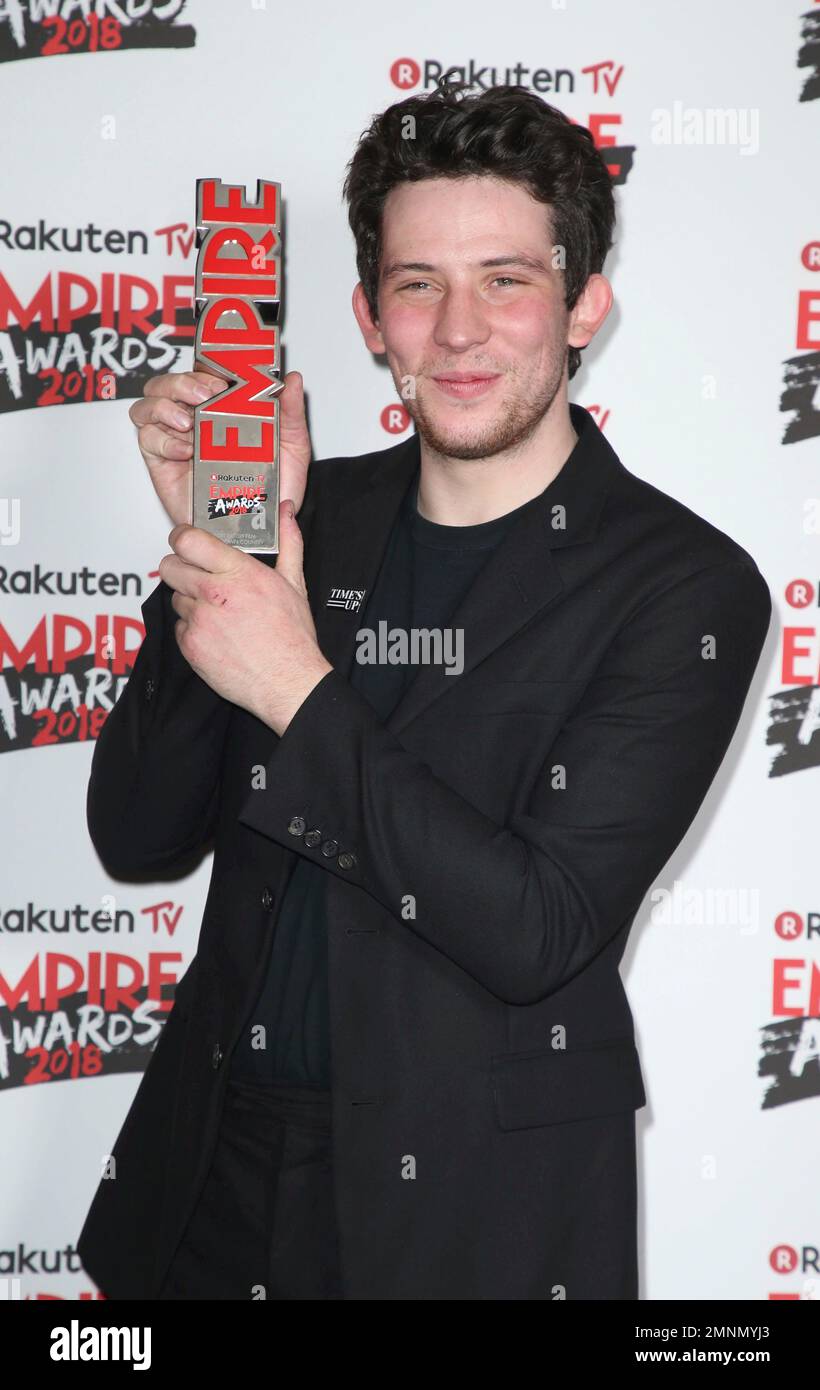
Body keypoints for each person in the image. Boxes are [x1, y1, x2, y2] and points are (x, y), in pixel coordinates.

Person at [77, 81, 771, 1301]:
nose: (458, 330)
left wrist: (295, 681)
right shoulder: (306, 516)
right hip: (208, 1197)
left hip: (473, 1221)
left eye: (504, 280)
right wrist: (227, 543)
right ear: (368, 318)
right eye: (417, 284)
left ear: (582, 307)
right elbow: (136, 836)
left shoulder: (684, 587)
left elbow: (535, 926)